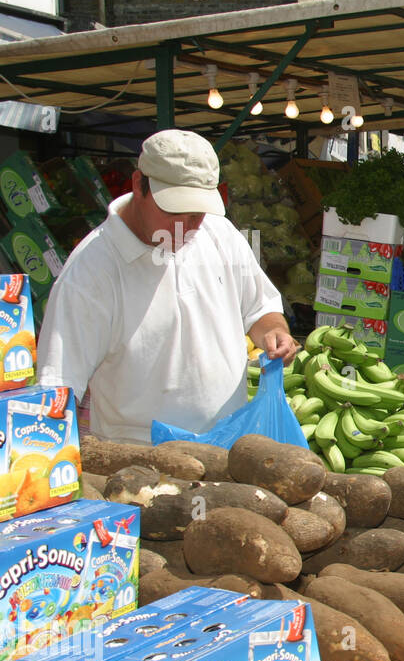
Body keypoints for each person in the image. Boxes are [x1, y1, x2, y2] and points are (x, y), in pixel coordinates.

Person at [36, 129, 296, 445]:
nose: (186, 227)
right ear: (138, 186)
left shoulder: (220, 234)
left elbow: (261, 309)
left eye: (197, 213)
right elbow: (57, 386)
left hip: (231, 448)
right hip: (140, 465)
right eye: (173, 211)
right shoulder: (91, 272)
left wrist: (274, 333)